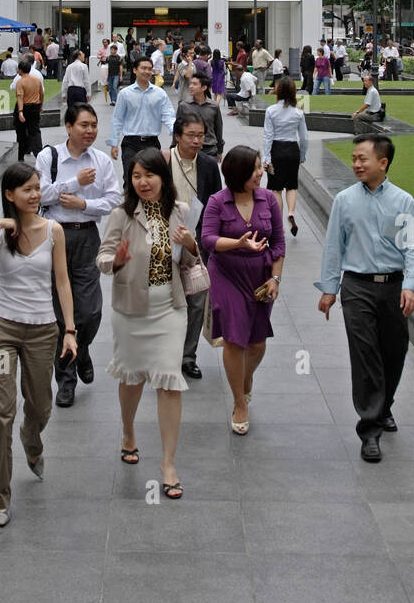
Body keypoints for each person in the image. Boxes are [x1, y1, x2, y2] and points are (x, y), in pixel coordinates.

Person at [0, 163, 77, 526]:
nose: (34, 195)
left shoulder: (54, 231)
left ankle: (32, 438)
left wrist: (71, 331)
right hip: (3, 329)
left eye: (36, 188)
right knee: (1, 413)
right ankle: (0, 496)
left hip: (43, 331)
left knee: (41, 405)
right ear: (9, 195)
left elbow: (62, 283)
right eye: (26, 190)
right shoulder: (0, 233)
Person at [96, 148, 203, 499]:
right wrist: (116, 260)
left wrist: (190, 244)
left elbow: (189, 260)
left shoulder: (180, 212)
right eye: (136, 176)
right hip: (130, 311)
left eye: (149, 175)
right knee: (131, 377)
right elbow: (103, 257)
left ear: (162, 178)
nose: (142, 182)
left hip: (169, 309)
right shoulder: (121, 215)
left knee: (170, 382)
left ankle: (168, 463)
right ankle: (128, 430)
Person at [316, 135, 414, 462]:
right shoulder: (344, 200)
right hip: (357, 287)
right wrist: (329, 288)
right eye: (353, 158)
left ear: (383, 162)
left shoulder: (403, 201)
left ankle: (383, 406)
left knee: (394, 353)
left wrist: (410, 285)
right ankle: (370, 429)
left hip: (393, 287)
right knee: (366, 356)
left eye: (363, 159)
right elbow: (334, 245)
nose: (356, 164)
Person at [35, 102, 122, 407]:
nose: (90, 131)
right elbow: (40, 194)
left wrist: (83, 205)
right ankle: (66, 379)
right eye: (84, 125)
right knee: (61, 313)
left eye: (94, 125)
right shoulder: (50, 157)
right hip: (53, 236)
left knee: (90, 311)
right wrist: (75, 184)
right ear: (68, 127)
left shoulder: (100, 160)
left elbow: (114, 199)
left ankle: (81, 349)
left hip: (86, 236)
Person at [201, 146, 285, 434]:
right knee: (235, 339)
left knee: (257, 342)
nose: (260, 173)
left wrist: (276, 279)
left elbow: (279, 245)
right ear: (238, 173)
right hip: (225, 274)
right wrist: (237, 243)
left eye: (260, 167)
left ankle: (245, 378)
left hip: (260, 276)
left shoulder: (269, 201)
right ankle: (240, 401)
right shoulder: (217, 202)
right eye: (255, 168)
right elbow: (208, 239)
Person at [162, 112, 222, 379]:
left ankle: (188, 356)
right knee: (166, 299)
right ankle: (165, 354)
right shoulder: (162, 161)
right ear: (177, 136)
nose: (198, 141)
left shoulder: (209, 165)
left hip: (195, 244)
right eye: (192, 135)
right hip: (164, 241)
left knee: (197, 300)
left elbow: (216, 204)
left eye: (201, 135)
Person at [109, 54, 176, 186]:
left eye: (149, 69)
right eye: (143, 68)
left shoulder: (159, 93)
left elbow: (168, 115)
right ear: (135, 70)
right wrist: (114, 143)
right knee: (130, 180)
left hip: (152, 143)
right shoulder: (125, 94)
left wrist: (176, 133)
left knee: (153, 180)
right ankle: (131, 206)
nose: (147, 71)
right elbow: (117, 119)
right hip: (131, 143)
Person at [262, 77, 309, 237]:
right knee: (292, 185)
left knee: (276, 189)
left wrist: (266, 158)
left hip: (277, 149)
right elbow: (304, 137)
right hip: (292, 149)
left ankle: (278, 223)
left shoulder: (271, 110)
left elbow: (268, 135)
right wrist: (302, 154)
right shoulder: (298, 112)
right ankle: (291, 211)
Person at [176, 72, 224, 163]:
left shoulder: (214, 106)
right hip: (189, 149)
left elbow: (218, 129)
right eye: (190, 83)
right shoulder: (183, 106)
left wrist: (220, 150)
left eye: (194, 84)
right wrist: (174, 148)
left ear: (204, 88)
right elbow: (177, 129)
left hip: (209, 149)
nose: (190, 86)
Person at [13, 57, 43, 160]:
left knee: (21, 132)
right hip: (35, 107)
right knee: (35, 131)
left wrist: (20, 111)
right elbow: (41, 94)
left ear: (20, 70)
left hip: (24, 107)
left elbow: (20, 97)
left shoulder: (20, 82)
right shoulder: (37, 80)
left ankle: (21, 155)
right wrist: (41, 105)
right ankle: (39, 154)